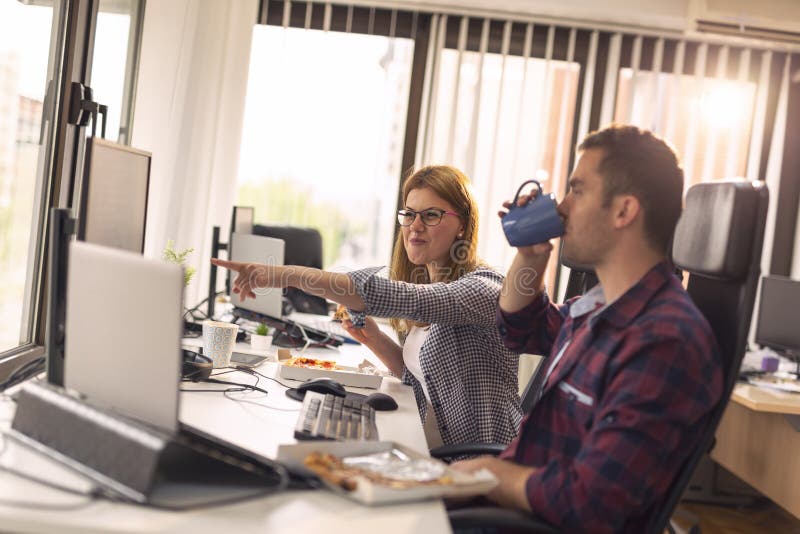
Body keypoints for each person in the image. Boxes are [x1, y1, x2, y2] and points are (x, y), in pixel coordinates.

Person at [451, 125, 723, 532]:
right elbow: (518, 328)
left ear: (624, 211)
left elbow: (591, 503)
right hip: (511, 514)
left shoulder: (664, 339)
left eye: (577, 190)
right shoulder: (599, 308)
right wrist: (531, 256)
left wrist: (491, 473)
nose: (561, 207)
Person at [212, 165, 522, 448]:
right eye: (409, 214)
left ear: (463, 226)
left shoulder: (485, 288)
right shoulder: (431, 286)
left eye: (431, 215)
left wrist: (285, 274)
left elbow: (395, 296)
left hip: (475, 464)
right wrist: (373, 339)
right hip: (432, 447)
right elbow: (422, 380)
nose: (415, 226)